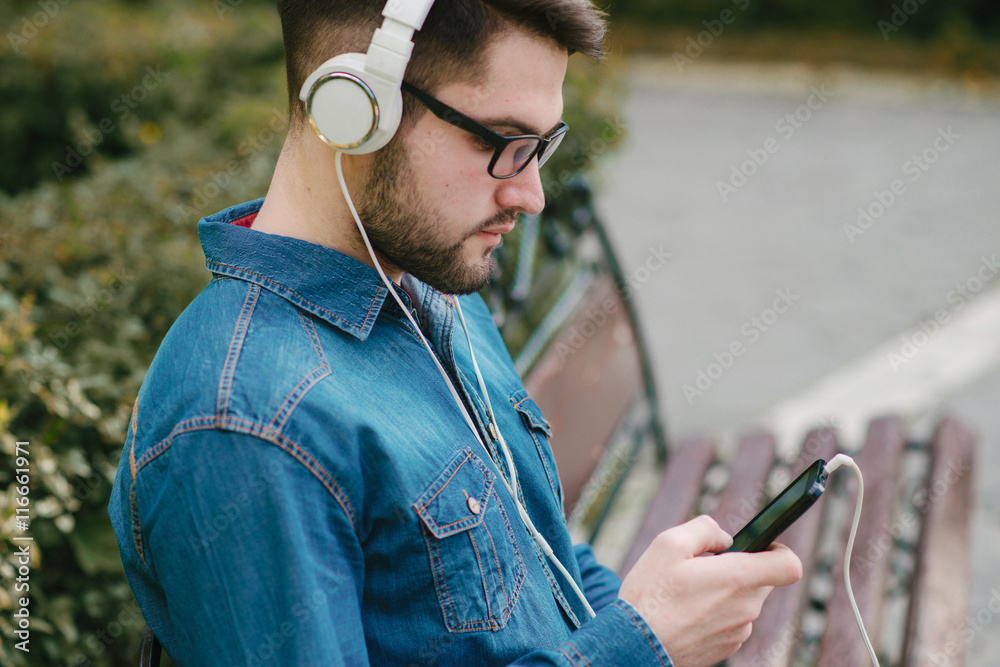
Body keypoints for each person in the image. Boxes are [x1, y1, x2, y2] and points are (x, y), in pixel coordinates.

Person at [108, 1, 802, 665]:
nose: (530, 195)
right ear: (355, 111)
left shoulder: (430, 285)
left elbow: (536, 558)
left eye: (541, 147)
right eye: (500, 142)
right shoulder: (247, 426)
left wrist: (661, 611)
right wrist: (644, 645)